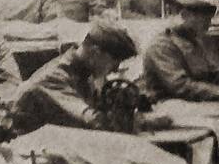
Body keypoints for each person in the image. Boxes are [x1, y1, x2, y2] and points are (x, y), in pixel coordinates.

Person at [11, 21, 170, 134]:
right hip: (29, 153)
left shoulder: (86, 72)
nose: (115, 69)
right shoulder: (54, 78)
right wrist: (141, 122)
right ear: (95, 52)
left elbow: (103, 109)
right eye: (114, 62)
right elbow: (94, 121)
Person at [140, 0, 219, 102]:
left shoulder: (194, 41)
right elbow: (180, 86)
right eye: (203, 20)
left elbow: (211, 76)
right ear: (185, 15)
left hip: (197, 105)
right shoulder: (161, 46)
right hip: (169, 107)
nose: (208, 24)